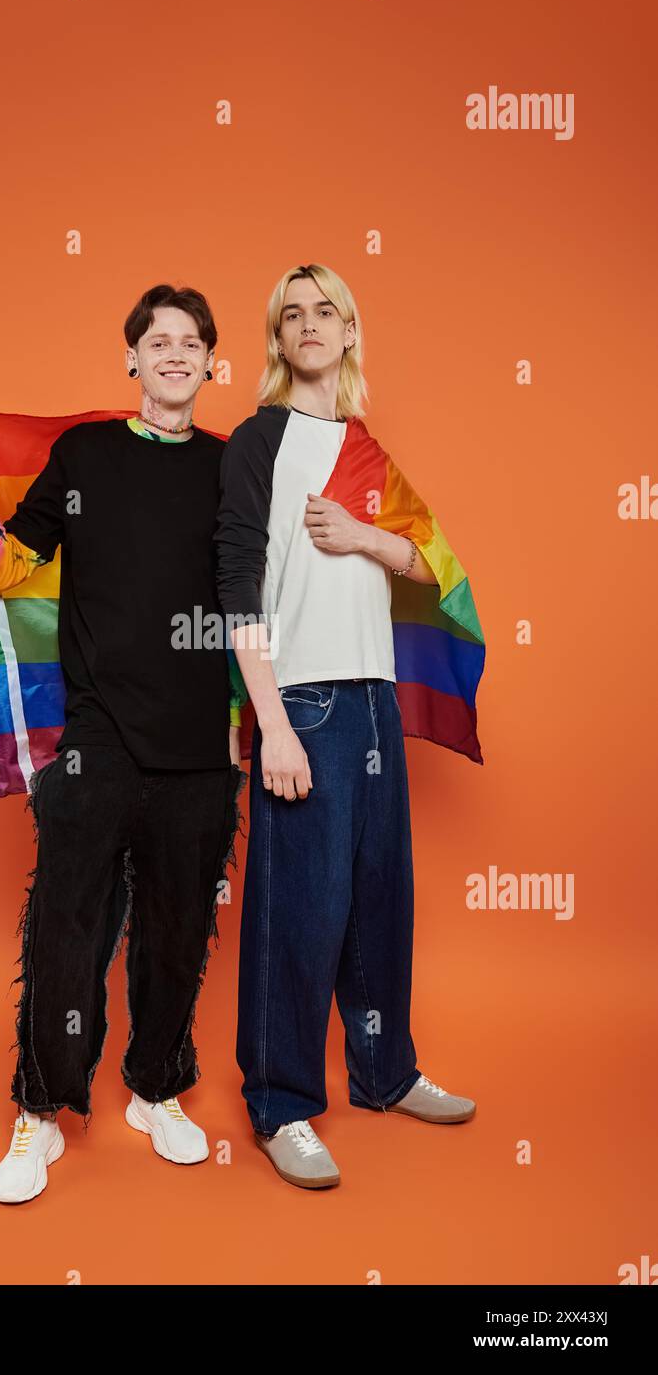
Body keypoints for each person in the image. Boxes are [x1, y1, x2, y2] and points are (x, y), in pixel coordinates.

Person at [0, 284, 247, 1204]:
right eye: (158, 341)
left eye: (192, 342)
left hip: (198, 747)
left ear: (210, 363)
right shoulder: (85, 454)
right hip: (94, 737)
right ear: (132, 361)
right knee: (69, 930)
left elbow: (254, 598)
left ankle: (156, 1088)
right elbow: (5, 566)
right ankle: (40, 1110)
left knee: (178, 932)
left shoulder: (230, 469)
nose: (175, 354)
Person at [215, 263, 481, 1190]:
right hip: (308, 700)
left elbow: (431, 559)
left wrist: (364, 537)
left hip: (373, 695)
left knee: (379, 901)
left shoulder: (364, 448)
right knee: (299, 911)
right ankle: (282, 1103)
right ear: (279, 343)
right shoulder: (259, 442)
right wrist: (270, 720)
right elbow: (235, 587)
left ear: (349, 330)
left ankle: (386, 1072)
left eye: (325, 310)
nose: (309, 325)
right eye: (292, 316)